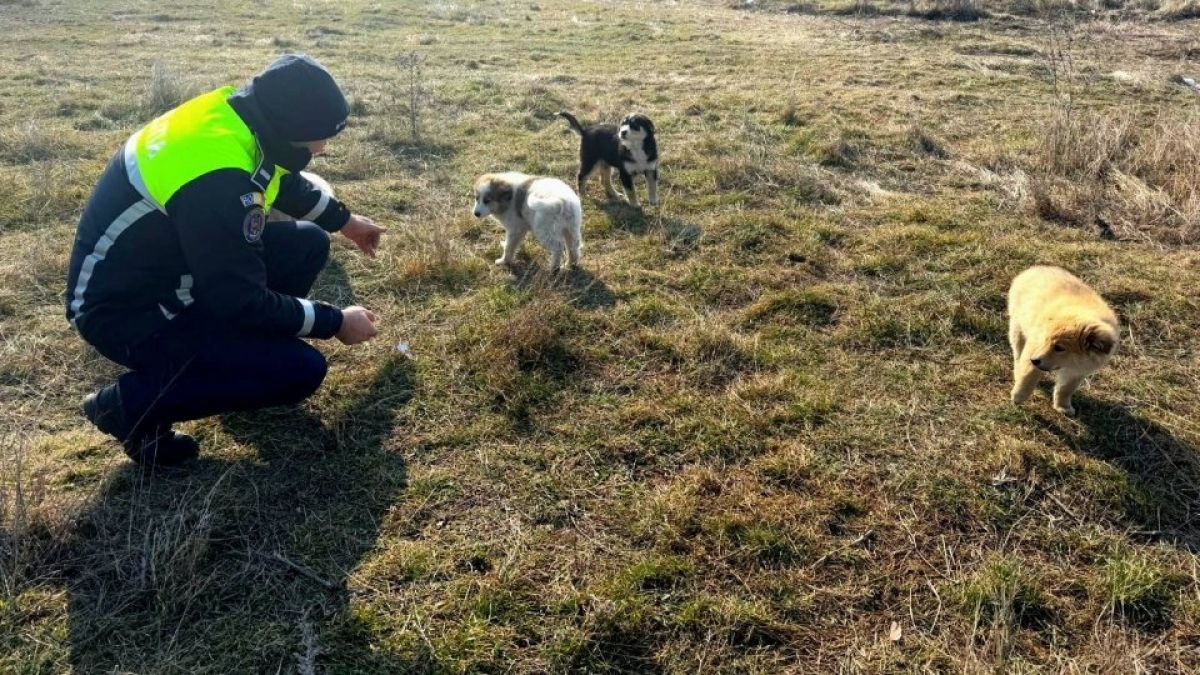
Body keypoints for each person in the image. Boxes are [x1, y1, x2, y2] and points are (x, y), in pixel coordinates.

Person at [65, 54, 385, 467]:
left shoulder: (235, 118)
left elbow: (275, 175)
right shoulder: (217, 181)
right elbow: (238, 298)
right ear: (289, 130)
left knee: (307, 242)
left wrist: (347, 222)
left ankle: (240, 358)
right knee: (299, 369)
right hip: (127, 311)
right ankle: (127, 406)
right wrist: (335, 321)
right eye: (319, 138)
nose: (321, 150)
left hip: (164, 271)